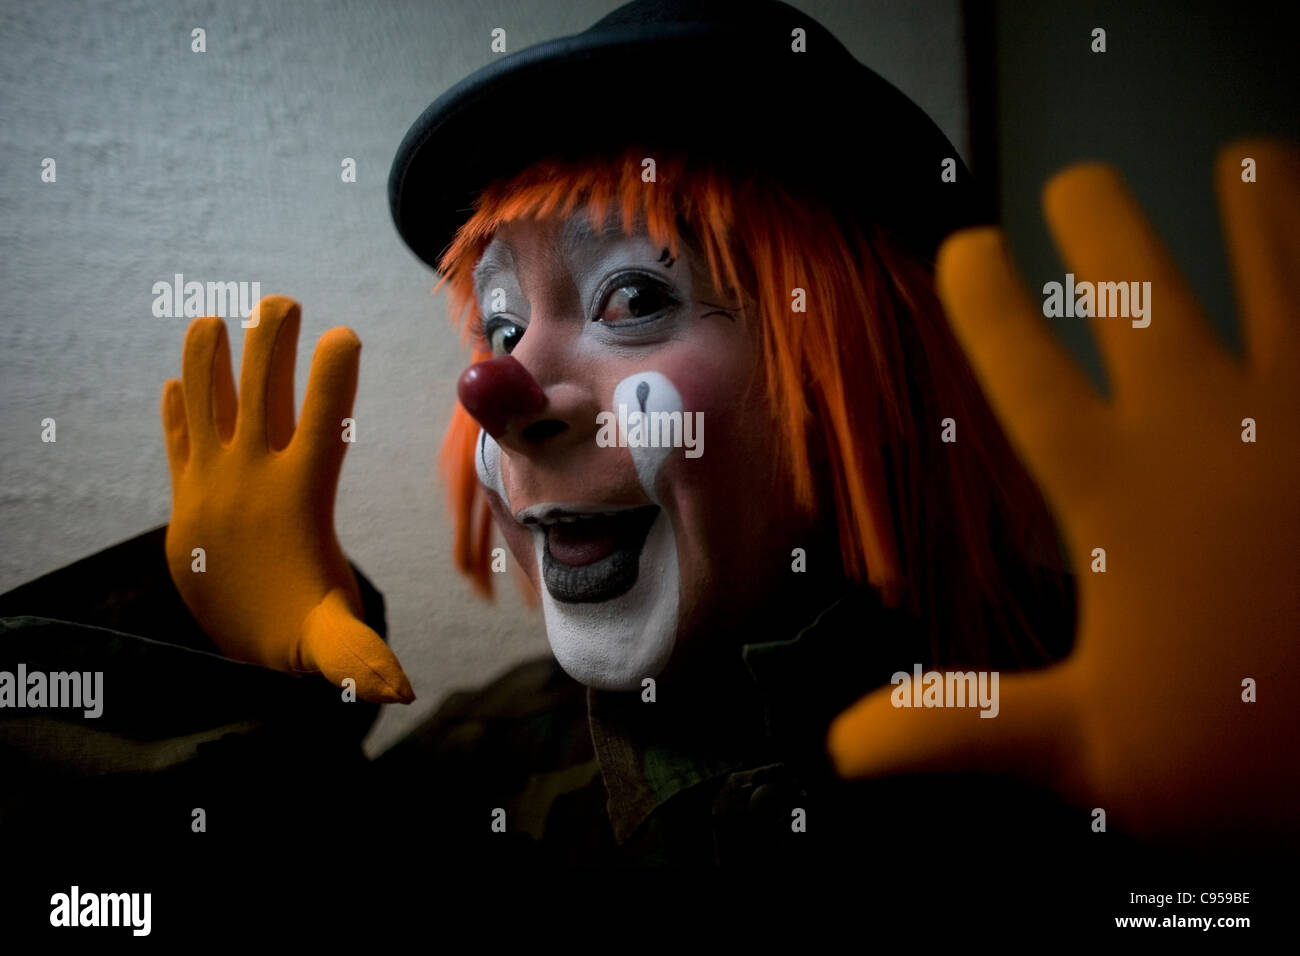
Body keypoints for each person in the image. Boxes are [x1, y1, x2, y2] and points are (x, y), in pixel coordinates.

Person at [3, 0, 1295, 908]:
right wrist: (210, 686)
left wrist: (1232, 851)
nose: (501, 388)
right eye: (501, 320)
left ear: (868, 362)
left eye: (631, 300)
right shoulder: (471, 776)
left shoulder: (1110, 724)